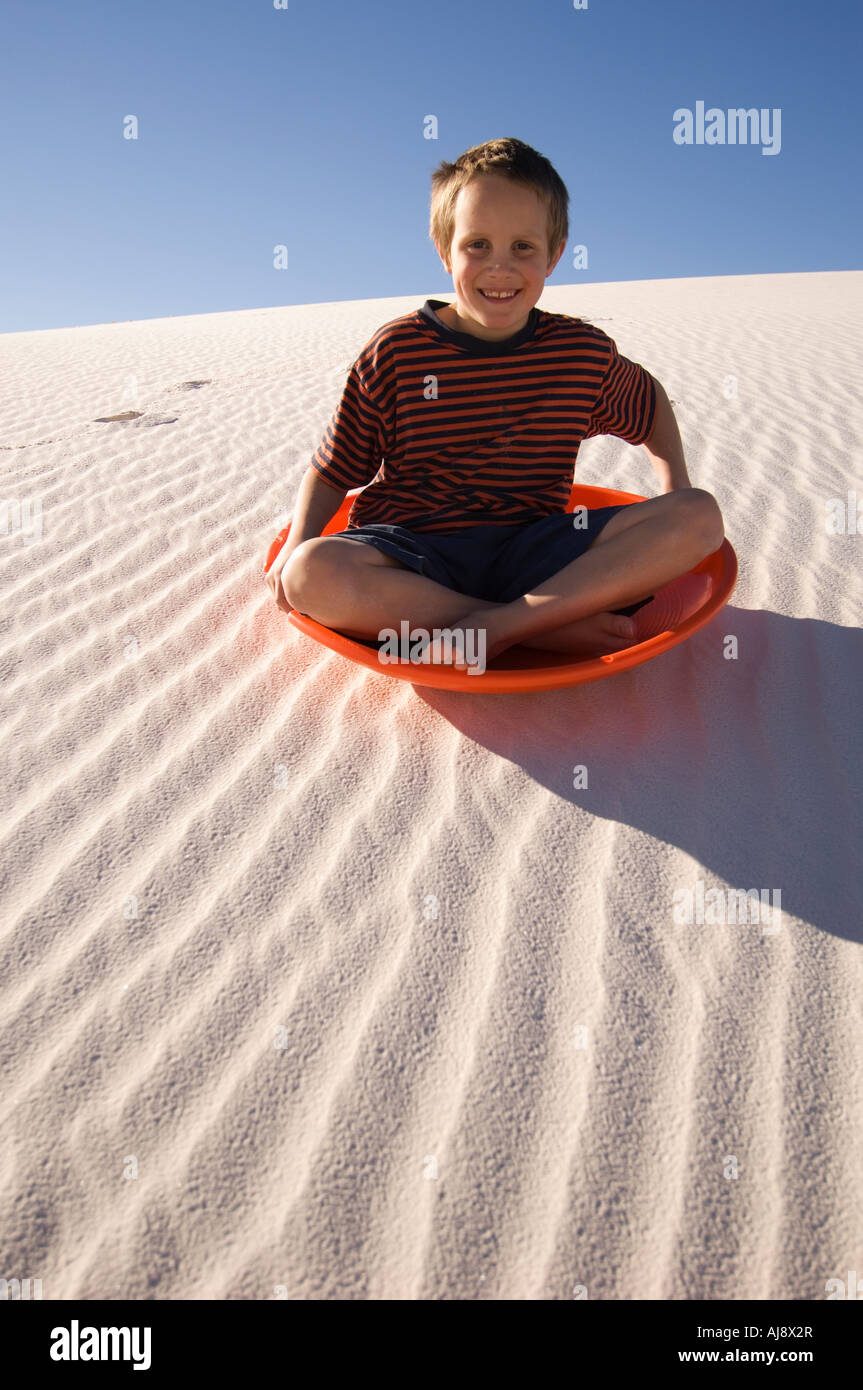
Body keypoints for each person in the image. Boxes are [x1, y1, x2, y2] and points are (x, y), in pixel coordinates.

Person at [266, 137, 724, 664]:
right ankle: (538, 628)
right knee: (310, 574)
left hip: (539, 551)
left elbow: (649, 403)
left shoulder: (579, 353)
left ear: (555, 253)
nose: (499, 268)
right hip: (414, 556)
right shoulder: (396, 351)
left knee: (699, 516)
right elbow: (332, 469)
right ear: (444, 250)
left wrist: (674, 485)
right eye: (477, 244)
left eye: (522, 247)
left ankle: (508, 623)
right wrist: (299, 539)